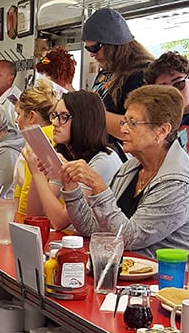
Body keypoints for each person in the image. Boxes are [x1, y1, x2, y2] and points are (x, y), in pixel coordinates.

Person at [58, 85, 189, 257]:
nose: (123, 129)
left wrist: (98, 186)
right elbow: (92, 228)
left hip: (166, 279)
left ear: (162, 131)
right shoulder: (130, 168)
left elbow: (129, 238)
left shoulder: (180, 184)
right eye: (124, 122)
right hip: (124, 272)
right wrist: (71, 186)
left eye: (133, 123)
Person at [23, 89, 123, 230]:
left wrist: (38, 174)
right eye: (54, 115)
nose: (55, 123)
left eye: (64, 117)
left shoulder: (103, 161)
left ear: (84, 120)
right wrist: (36, 172)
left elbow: (59, 221)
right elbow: (35, 214)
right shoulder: (67, 155)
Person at [82, 7, 154, 138]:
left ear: (113, 44)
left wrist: (90, 111)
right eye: (88, 49)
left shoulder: (141, 74)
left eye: (95, 48)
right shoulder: (106, 72)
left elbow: (137, 128)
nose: (92, 54)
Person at [13, 79, 57, 216]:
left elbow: (28, 185)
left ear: (31, 116)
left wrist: (22, 217)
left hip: (40, 218)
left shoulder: (38, 141)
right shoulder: (56, 137)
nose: (16, 120)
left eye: (18, 114)